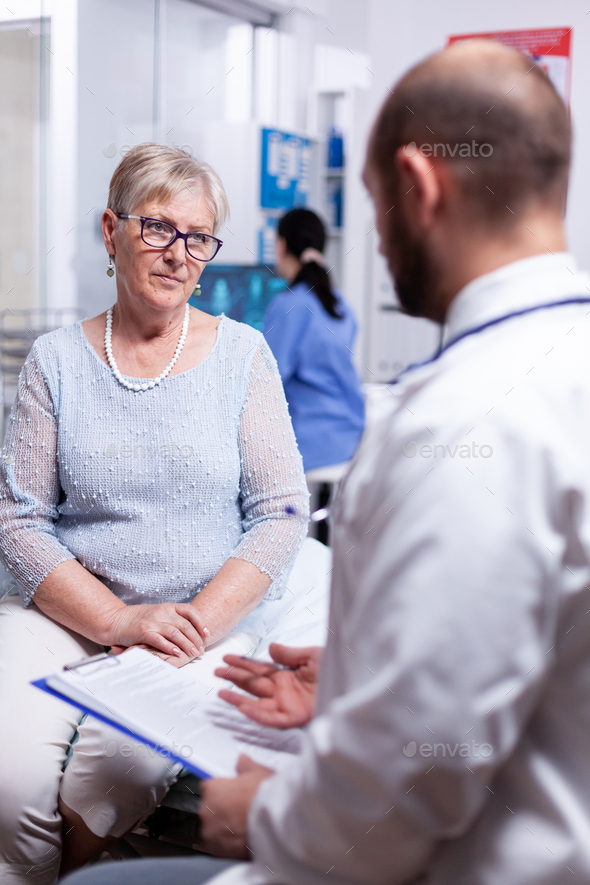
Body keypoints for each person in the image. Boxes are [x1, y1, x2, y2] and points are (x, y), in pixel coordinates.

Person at [64, 38, 590, 885]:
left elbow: (405, 794)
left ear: (420, 186)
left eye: (378, 206)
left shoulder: (458, 424)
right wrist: (352, 681)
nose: (379, 241)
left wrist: (258, 815)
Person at [0, 143, 310, 884]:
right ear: (111, 230)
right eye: (157, 228)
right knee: (9, 779)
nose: (179, 254)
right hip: (62, 615)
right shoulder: (54, 361)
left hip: (192, 626)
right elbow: (19, 522)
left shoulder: (244, 355)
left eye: (198, 236)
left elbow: (282, 512)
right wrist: (115, 621)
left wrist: (189, 623)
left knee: (124, 766)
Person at [263, 208, 365, 476]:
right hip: (351, 439)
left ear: (281, 245)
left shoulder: (288, 305)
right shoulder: (342, 306)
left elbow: (266, 380)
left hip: (309, 444)